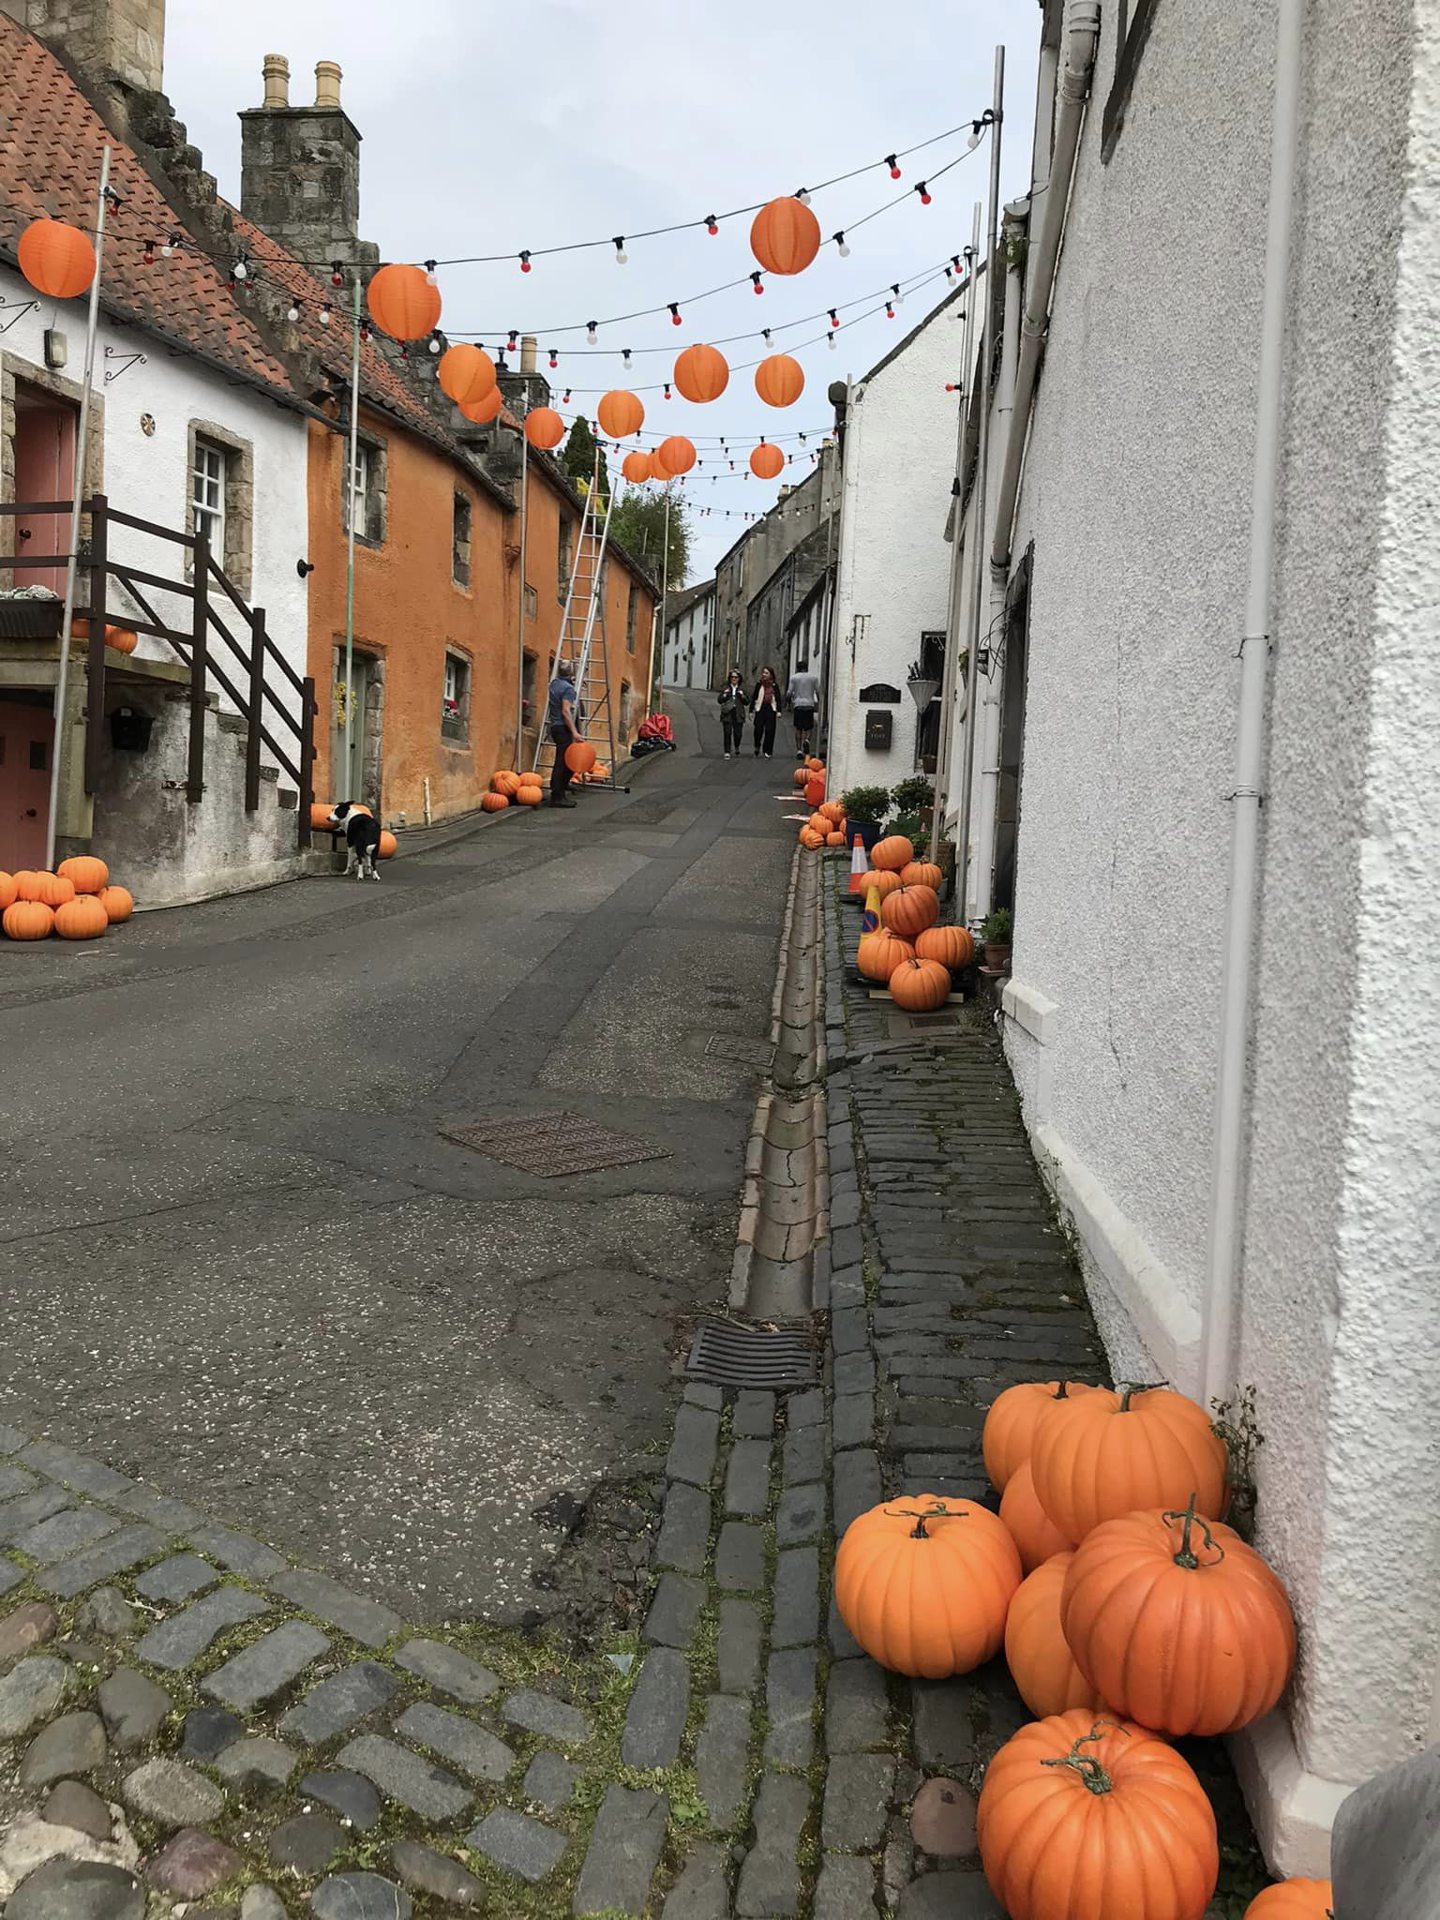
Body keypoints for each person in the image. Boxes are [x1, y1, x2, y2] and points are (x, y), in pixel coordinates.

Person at [547, 657, 580, 807]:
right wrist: (574, 732)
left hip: (555, 726)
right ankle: (557, 797)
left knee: (563, 761)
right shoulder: (568, 689)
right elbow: (566, 711)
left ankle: (561, 788)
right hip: (562, 727)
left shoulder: (554, 684)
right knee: (563, 762)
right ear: (571, 673)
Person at [787, 664, 820, 759]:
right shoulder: (814, 678)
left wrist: (788, 703)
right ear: (807, 668)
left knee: (798, 728)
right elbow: (818, 691)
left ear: (798, 668)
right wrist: (819, 703)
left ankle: (799, 750)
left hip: (798, 704)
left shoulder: (794, 678)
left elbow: (789, 692)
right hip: (809, 704)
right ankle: (807, 740)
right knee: (808, 727)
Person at [717, 667, 747, 759]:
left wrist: (742, 696)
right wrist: (725, 695)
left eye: (736, 677)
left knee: (738, 733)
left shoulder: (742, 689)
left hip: (738, 713)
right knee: (727, 732)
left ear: (739, 679)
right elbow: (719, 700)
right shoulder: (726, 688)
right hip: (728, 713)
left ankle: (737, 746)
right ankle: (727, 751)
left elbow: (747, 701)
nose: (734, 679)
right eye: (732, 677)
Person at [752, 664, 780, 758]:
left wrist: (779, 710)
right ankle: (757, 745)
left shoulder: (774, 685)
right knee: (758, 729)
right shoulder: (759, 684)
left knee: (770, 730)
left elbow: (778, 698)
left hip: (770, 708)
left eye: (766, 673)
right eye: (763, 672)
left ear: (771, 675)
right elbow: (754, 697)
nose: (764, 674)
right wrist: (751, 710)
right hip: (760, 707)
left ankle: (767, 750)